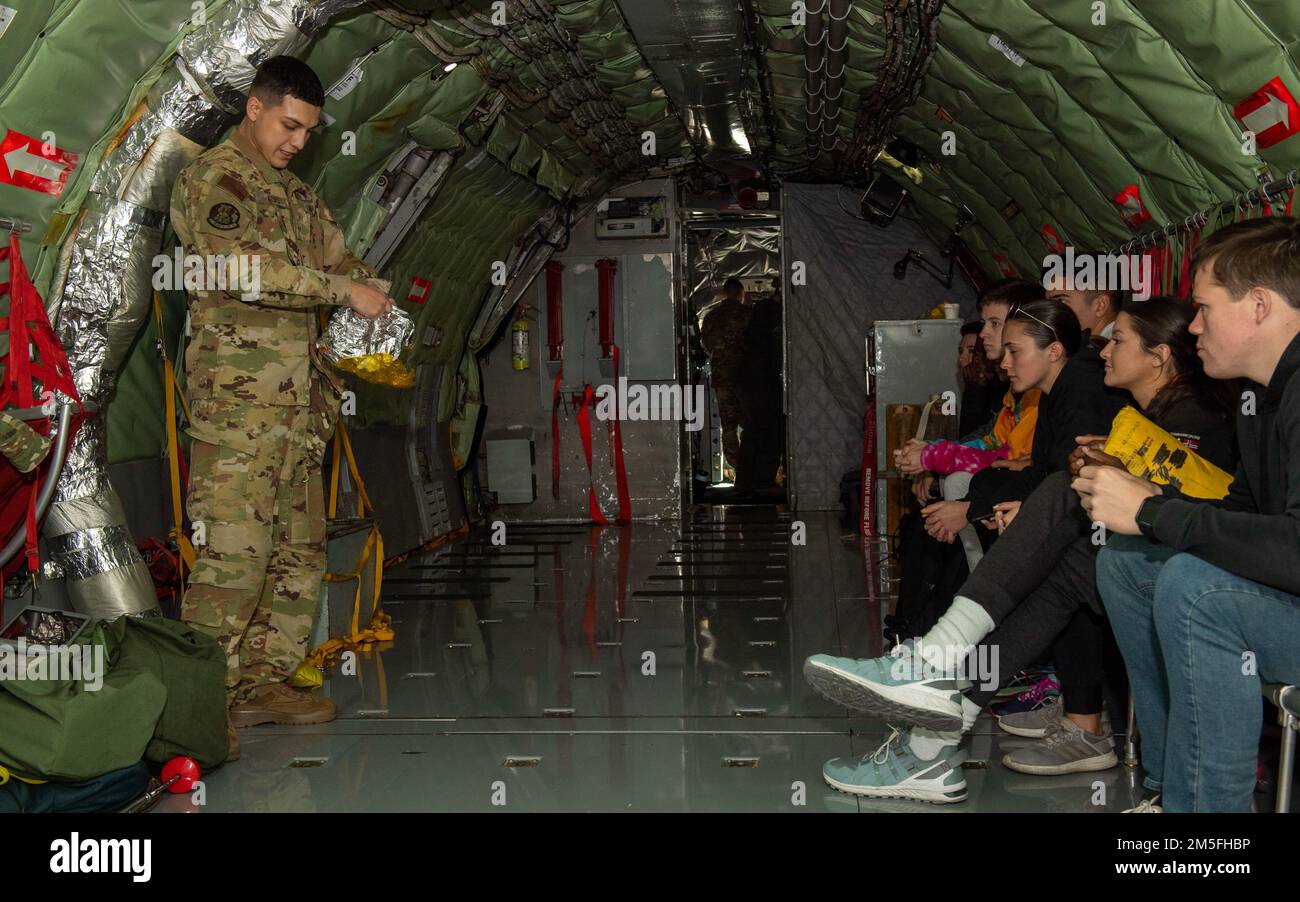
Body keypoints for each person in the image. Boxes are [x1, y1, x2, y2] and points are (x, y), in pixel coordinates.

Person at [805, 299, 1129, 801]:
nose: (1002, 359)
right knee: (1053, 563)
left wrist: (992, 504)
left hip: (1131, 549)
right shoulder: (1059, 390)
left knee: (1055, 531)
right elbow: (1036, 468)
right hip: (1093, 544)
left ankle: (930, 676)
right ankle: (932, 741)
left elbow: (1066, 480)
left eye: (1013, 347)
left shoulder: (1082, 381)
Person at [171, 56, 395, 761]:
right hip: (238, 413)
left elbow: (341, 260)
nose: (297, 142)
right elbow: (241, 270)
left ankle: (260, 686)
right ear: (255, 109)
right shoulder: (215, 181)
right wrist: (339, 290)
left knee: (295, 555)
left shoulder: (297, 198)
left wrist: (373, 291)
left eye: (308, 132)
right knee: (232, 560)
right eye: (289, 126)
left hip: (299, 412)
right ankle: (196, 708)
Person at [1084, 218, 1300, 812]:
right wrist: (1146, 502)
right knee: (1128, 564)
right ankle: (1168, 784)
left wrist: (1153, 511)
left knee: (1197, 591)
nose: (1194, 326)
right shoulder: (1263, 395)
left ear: (1259, 305)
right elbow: (1243, 516)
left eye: (1203, 308)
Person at [700, 278, 751, 482]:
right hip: (745, 377)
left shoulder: (712, 317)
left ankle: (738, 471)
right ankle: (752, 470)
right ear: (741, 294)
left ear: (724, 293)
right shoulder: (748, 315)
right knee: (751, 422)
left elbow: (706, 345)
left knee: (728, 425)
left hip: (722, 377)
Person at [737, 281, 783, 496]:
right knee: (768, 430)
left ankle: (747, 482)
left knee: (754, 430)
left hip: (751, 377)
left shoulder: (761, 310)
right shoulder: (771, 313)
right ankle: (761, 482)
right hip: (762, 377)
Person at [958, 321, 1001, 437]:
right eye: (961, 351)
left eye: (971, 351)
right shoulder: (972, 387)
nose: (962, 358)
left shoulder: (1002, 389)